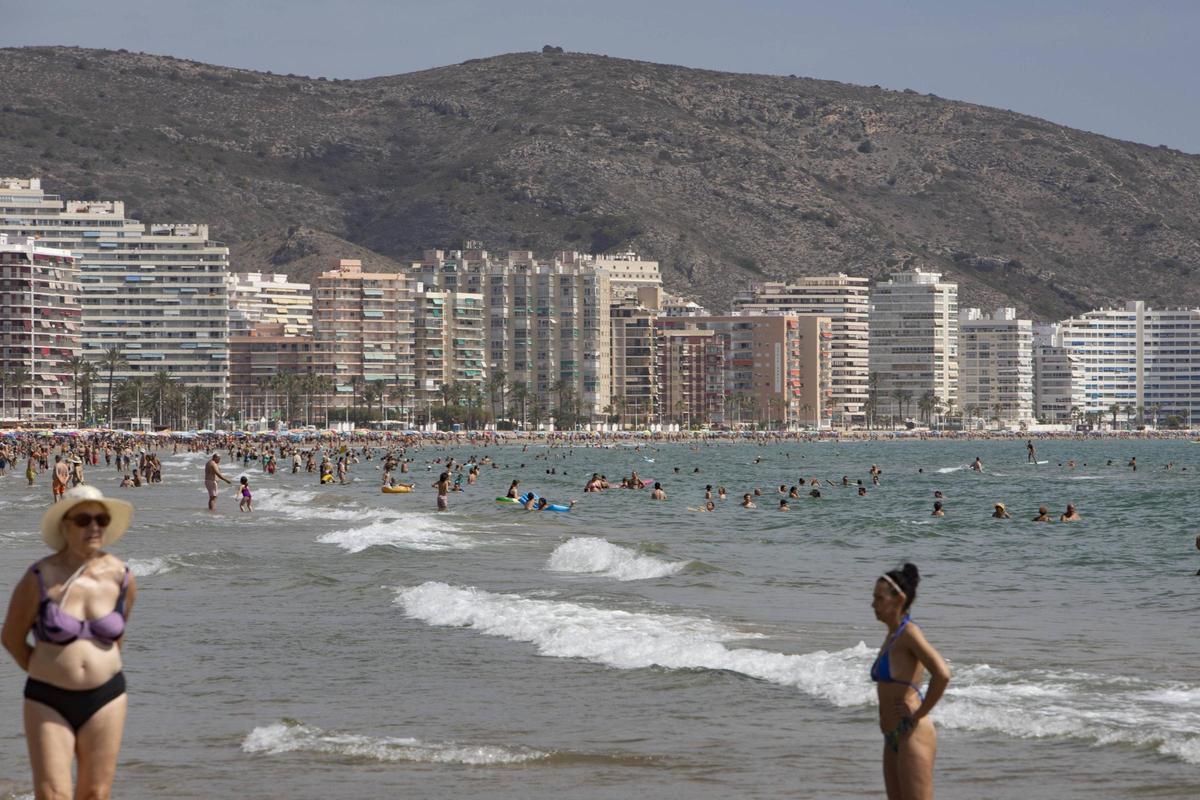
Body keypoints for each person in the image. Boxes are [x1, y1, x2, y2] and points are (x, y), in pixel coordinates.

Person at [1, 486, 138, 800]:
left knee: (95, 793)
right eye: (84, 520)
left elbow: (118, 636)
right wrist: (48, 670)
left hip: (107, 697)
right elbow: (11, 637)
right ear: (65, 524)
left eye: (101, 520)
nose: (94, 527)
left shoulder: (122, 577)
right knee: (52, 794)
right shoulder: (39, 577)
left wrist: (96, 668)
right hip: (48, 698)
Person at [870, 564, 951, 800]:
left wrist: (918, 714)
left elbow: (942, 673)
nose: (873, 604)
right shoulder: (892, 635)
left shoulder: (909, 633)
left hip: (911, 732)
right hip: (892, 736)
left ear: (899, 600)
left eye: (878, 598)